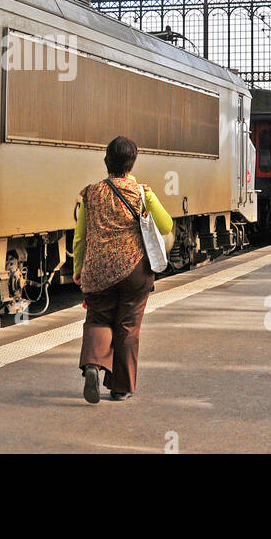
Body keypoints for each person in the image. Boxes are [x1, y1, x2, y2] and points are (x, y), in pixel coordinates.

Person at [73, 136, 173, 403]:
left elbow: (80, 237)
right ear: (133, 163)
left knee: (97, 318)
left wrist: (78, 267)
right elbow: (165, 226)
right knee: (127, 326)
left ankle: (93, 364)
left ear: (106, 161)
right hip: (134, 271)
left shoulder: (90, 193)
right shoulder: (141, 192)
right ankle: (121, 388)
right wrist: (148, 200)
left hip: (97, 271)